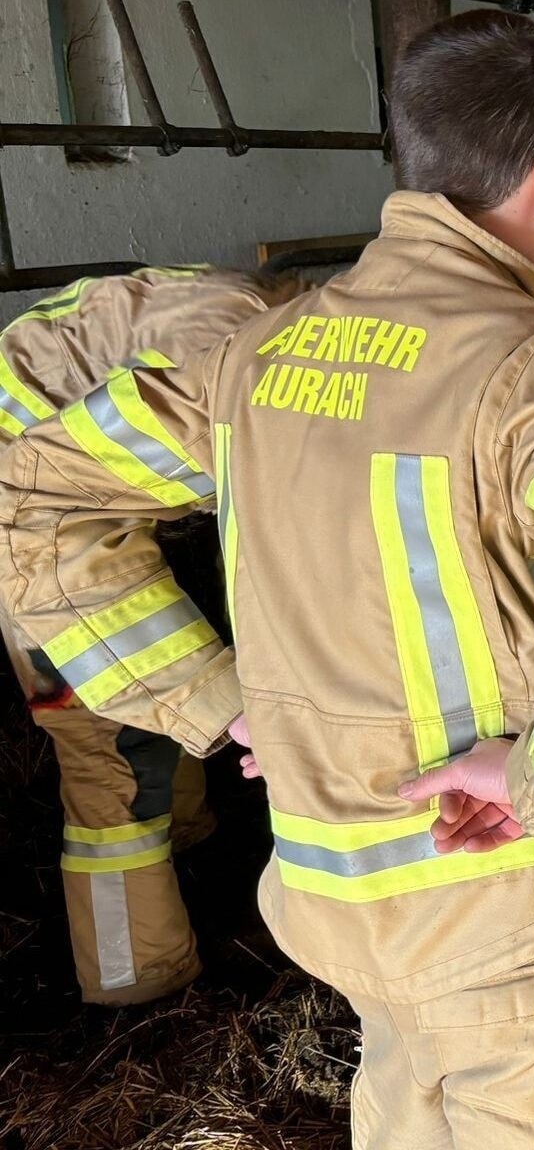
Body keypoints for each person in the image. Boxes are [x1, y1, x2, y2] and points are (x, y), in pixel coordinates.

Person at [0, 12, 534, 1149]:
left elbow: (30, 503)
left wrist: (214, 700)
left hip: (337, 899)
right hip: (507, 917)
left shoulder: (259, 355)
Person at [0, 265, 298, 1004]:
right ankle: (138, 986)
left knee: (166, 711)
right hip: (26, 544)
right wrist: (232, 708)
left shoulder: (278, 341)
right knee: (111, 758)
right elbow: (47, 535)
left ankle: (193, 849)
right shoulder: (224, 375)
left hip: (86, 502)